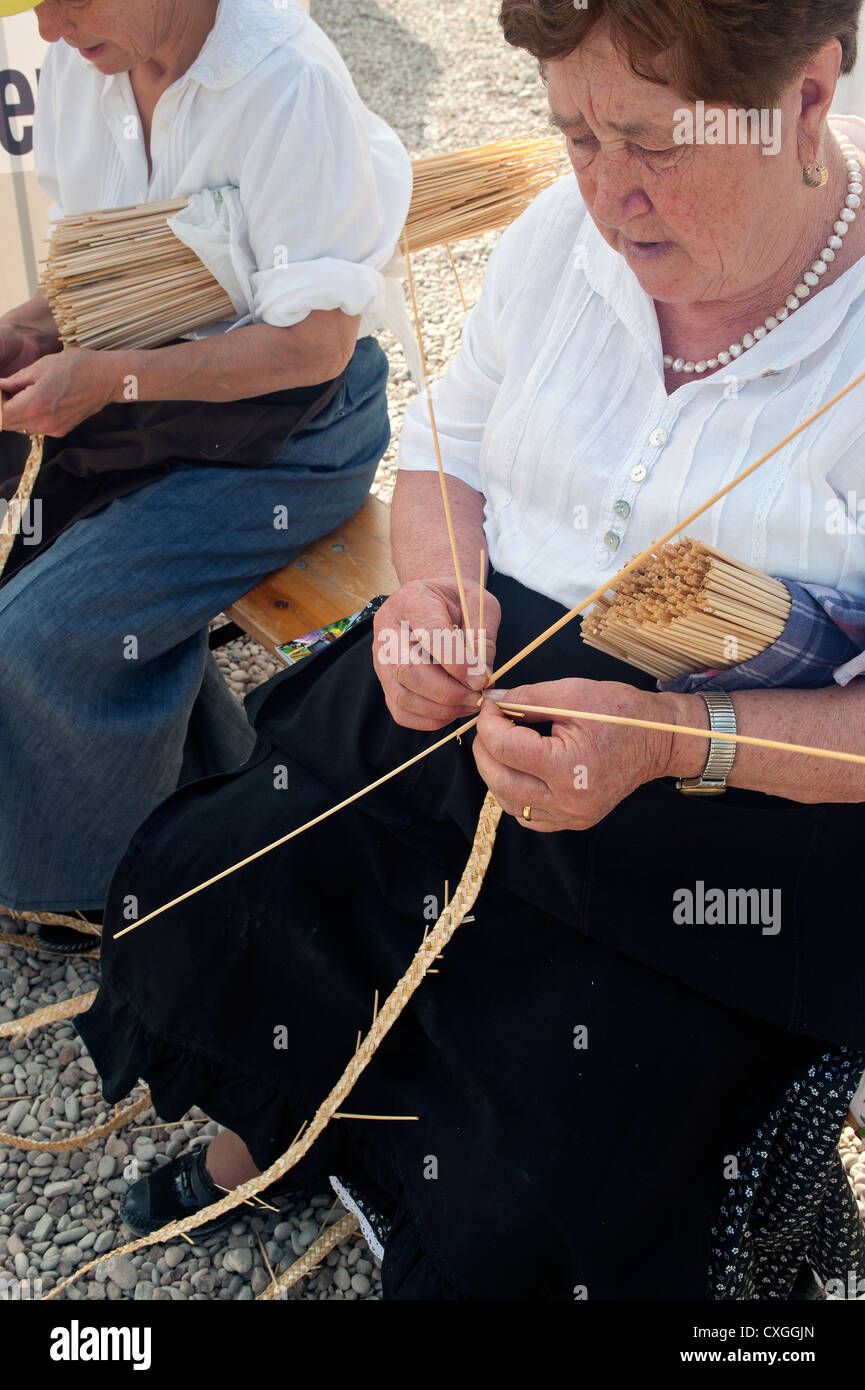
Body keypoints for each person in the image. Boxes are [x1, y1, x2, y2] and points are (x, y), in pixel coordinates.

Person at [78, 0, 865, 1299]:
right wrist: (431, 598)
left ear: (805, 96)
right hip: (485, 673)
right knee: (228, 884)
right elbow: (452, 453)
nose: (610, 195)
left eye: (650, 142)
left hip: (744, 789)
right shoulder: (564, 240)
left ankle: (437, 1207)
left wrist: (672, 738)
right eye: (572, 136)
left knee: (559, 1133)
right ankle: (294, 1134)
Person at [0, 0, 412, 942]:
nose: (53, 28)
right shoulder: (89, 62)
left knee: (40, 632)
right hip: (142, 390)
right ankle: (206, 791)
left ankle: (92, 884)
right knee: (35, 578)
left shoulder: (286, 81)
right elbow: (91, 279)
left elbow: (311, 345)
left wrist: (110, 378)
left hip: (293, 429)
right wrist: (26, 332)